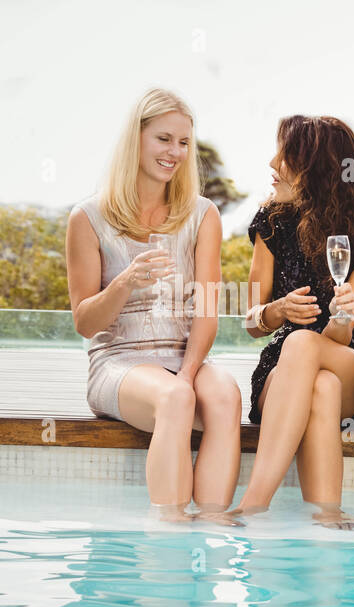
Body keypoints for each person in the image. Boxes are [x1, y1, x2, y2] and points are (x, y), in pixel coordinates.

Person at [66, 88, 241, 522]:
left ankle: (213, 524)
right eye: (164, 139)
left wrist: (188, 370)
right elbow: (85, 323)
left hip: (183, 357)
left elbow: (206, 311)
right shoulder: (87, 218)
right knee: (177, 398)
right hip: (119, 361)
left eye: (183, 142)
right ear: (137, 140)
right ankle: (171, 530)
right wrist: (124, 283)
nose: (175, 152)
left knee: (224, 395)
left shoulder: (202, 215)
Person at [232, 115, 354, 529]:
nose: (272, 163)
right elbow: (251, 322)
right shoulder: (271, 222)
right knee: (319, 385)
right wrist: (277, 311)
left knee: (306, 347)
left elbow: (340, 337)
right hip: (285, 370)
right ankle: (326, 516)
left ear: (316, 168)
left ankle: (253, 504)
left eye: (284, 155)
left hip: (349, 357)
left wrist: (343, 317)